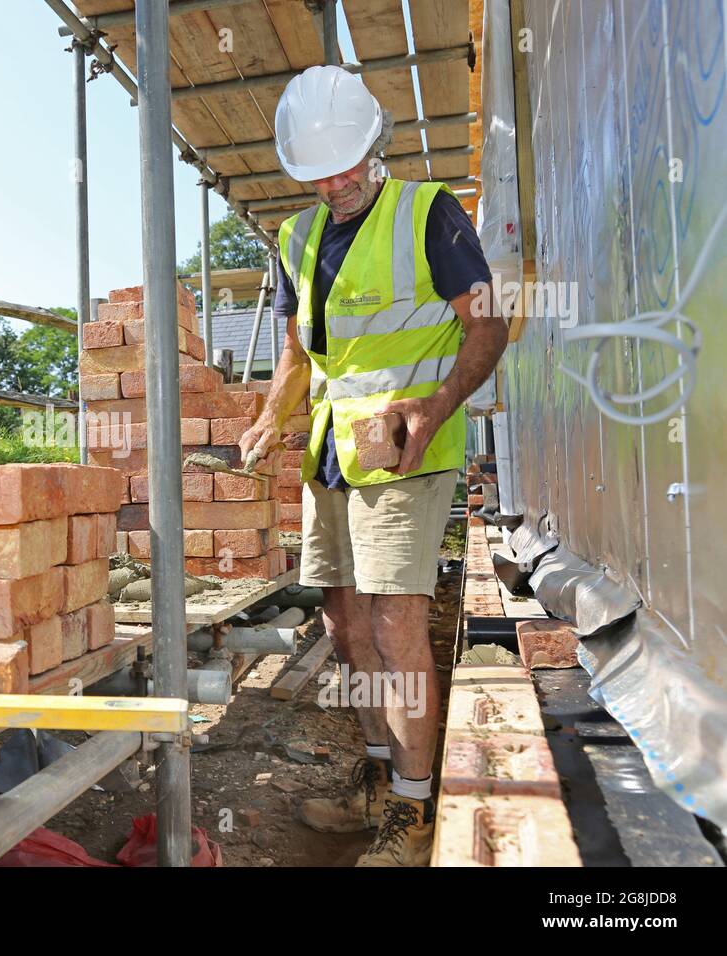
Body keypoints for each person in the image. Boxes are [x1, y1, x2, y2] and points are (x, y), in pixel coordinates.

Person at [238, 65, 507, 867]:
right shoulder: (295, 238)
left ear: (374, 145)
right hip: (332, 459)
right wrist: (266, 422)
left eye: (347, 164)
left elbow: (488, 326)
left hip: (407, 453)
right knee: (345, 630)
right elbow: (297, 357)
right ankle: (379, 776)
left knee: (394, 627)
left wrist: (435, 406)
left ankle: (414, 811)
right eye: (318, 172)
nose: (335, 182)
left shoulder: (429, 213)